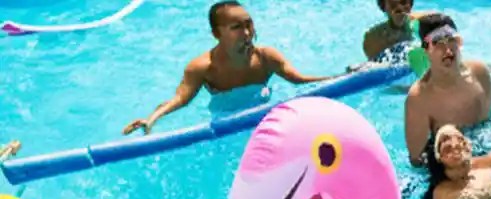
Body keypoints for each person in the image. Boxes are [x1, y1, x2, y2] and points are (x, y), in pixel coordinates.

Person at [123, 1, 337, 134]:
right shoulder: (203, 67)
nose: (247, 33)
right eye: (236, 27)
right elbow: (180, 99)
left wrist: (339, 77)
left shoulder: (265, 57)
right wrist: (152, 119)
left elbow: (299, 80)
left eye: (248, 24)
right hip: (225, 125)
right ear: (217, 34)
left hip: (265, 119)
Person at [404, 13, 491, 166]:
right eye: (437, 43)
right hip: (453, 164)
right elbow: (417, 159)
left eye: (451, 39)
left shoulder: (479, 72)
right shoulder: (419, 98)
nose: (448, 50)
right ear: (426, 51)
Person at [363, 0, 434, 63]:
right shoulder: (373, 37)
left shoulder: (425, 25)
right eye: (393, 4)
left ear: (410, 5)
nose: (399, 8)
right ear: (384, 7)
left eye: (403, 2)